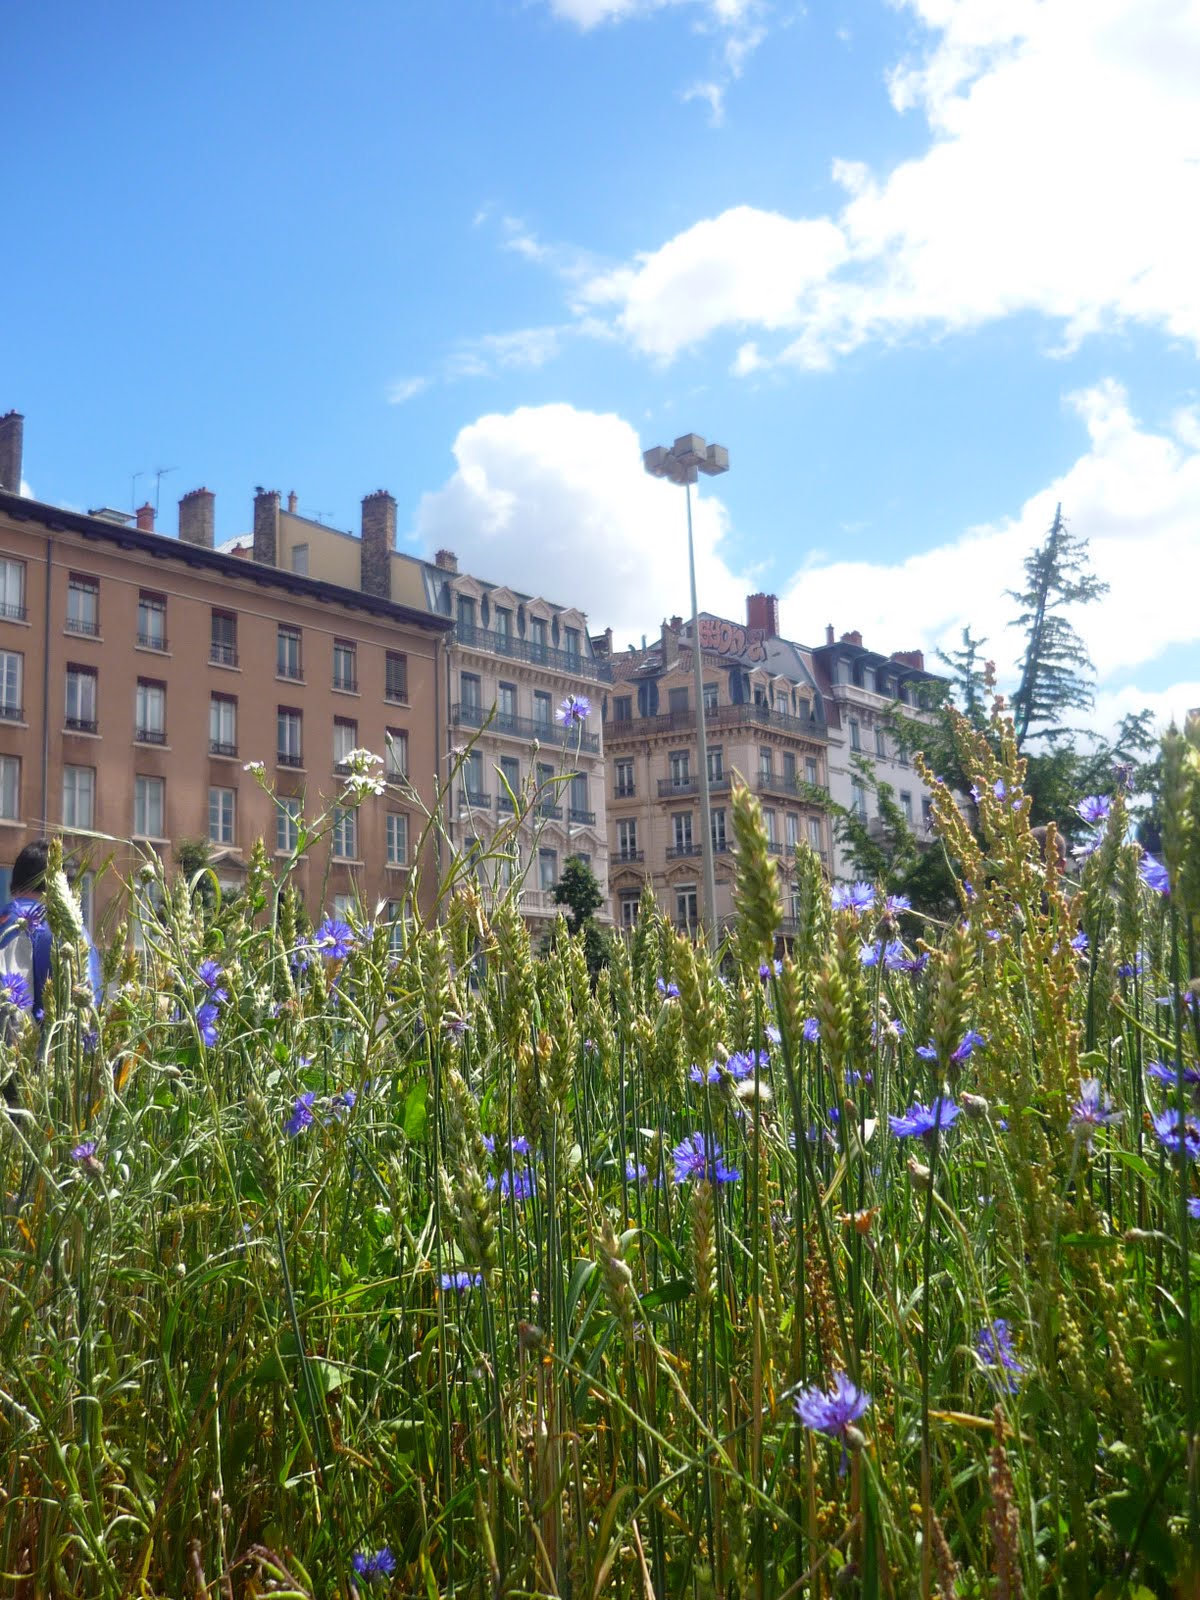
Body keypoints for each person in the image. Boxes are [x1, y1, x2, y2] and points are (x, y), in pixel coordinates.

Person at [0, 839, 102, 1021]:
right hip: (79, 1043)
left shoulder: (15, 921)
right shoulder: (80, 932)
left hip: (34, 1046)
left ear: (14, 883)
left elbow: (12, 1013)